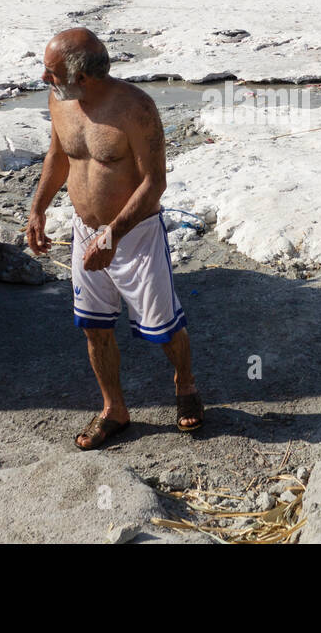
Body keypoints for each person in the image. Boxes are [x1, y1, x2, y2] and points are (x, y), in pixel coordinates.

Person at [27, 28, 202, 450]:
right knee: (94, 327)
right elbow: (58, 156)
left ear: (81, 75)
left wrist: (114, 234)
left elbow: (154, 183)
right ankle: (114, 409)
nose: (44, 79)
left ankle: (184, 383)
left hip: (136, 235)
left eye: (51, 72)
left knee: (163, 326)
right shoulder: (60, 101)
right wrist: (38, 208)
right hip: (86, 233)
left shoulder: (135, 108)